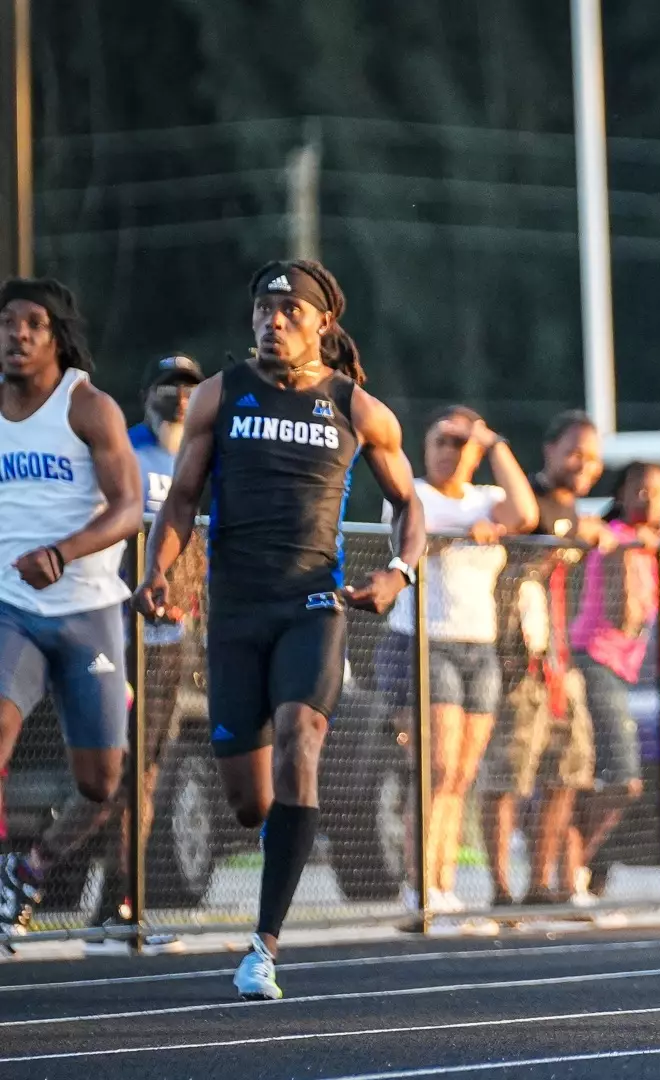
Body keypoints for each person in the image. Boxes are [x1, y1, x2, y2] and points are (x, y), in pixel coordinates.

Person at [134, 259, 425, 1000]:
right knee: (248, 803)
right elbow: (182, 502)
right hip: (234, 612)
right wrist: (157, 572)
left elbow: (408, 504)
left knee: (303, 737)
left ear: (322, 324)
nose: (273, 322)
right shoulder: (220, 394)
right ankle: (281, 832)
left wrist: (400, 572)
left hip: (313, 604)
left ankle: (263, 946)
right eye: (264, 311)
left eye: (290, 311)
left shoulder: (358, 410)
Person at [0, 278, 145, 931]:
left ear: (56, 337)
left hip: (87, 614)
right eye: (7, 323)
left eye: (33, 324)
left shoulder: (89, 408)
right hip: (11, 608)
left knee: (100, 783)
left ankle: (29, 866)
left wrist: (60, 552)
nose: (17, 334)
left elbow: (129, 508)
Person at [376, 405, 536, 915]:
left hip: (478, 644)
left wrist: (495, 444)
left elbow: (525, 514)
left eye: (459, 442)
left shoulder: (486, 497)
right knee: (435, 767)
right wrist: (474, 530)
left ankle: (443, 884)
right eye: (440, 440)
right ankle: (421, 884)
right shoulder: (412, 493)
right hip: (424, 640)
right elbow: (420, 532)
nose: (448, 451)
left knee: (461, 774)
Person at [85, 353, 205, 947]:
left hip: (171, 642)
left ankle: (122, 907)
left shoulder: (202, 454)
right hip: (117, 635)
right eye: (167, 385)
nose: (179, 396)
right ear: (146, 393)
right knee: (113, 776)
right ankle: (106, 907)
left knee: (148, 777)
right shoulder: (124, 449)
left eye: (189, 386)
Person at [484, 410, 604, 908]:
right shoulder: (528, 503)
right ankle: (501, 886)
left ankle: (542, 880)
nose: (583, 465)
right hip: (518, 663)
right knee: (507, 775)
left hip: (562, 664)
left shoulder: (579, 513)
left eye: (593, 457)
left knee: (568, 771)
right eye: (575, 452)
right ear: (549, 450)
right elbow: (536, 527)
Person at [565, 460, 660, 901]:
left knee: (607, 778)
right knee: (622, 778)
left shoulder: (654, 547)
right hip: (593, 660)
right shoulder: (614, 534)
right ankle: (572, 866)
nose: (649, 500)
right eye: (641, 490)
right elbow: (597, 531)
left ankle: (574, 864)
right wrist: (641, 541)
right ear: (624, 493)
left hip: (618, 671)